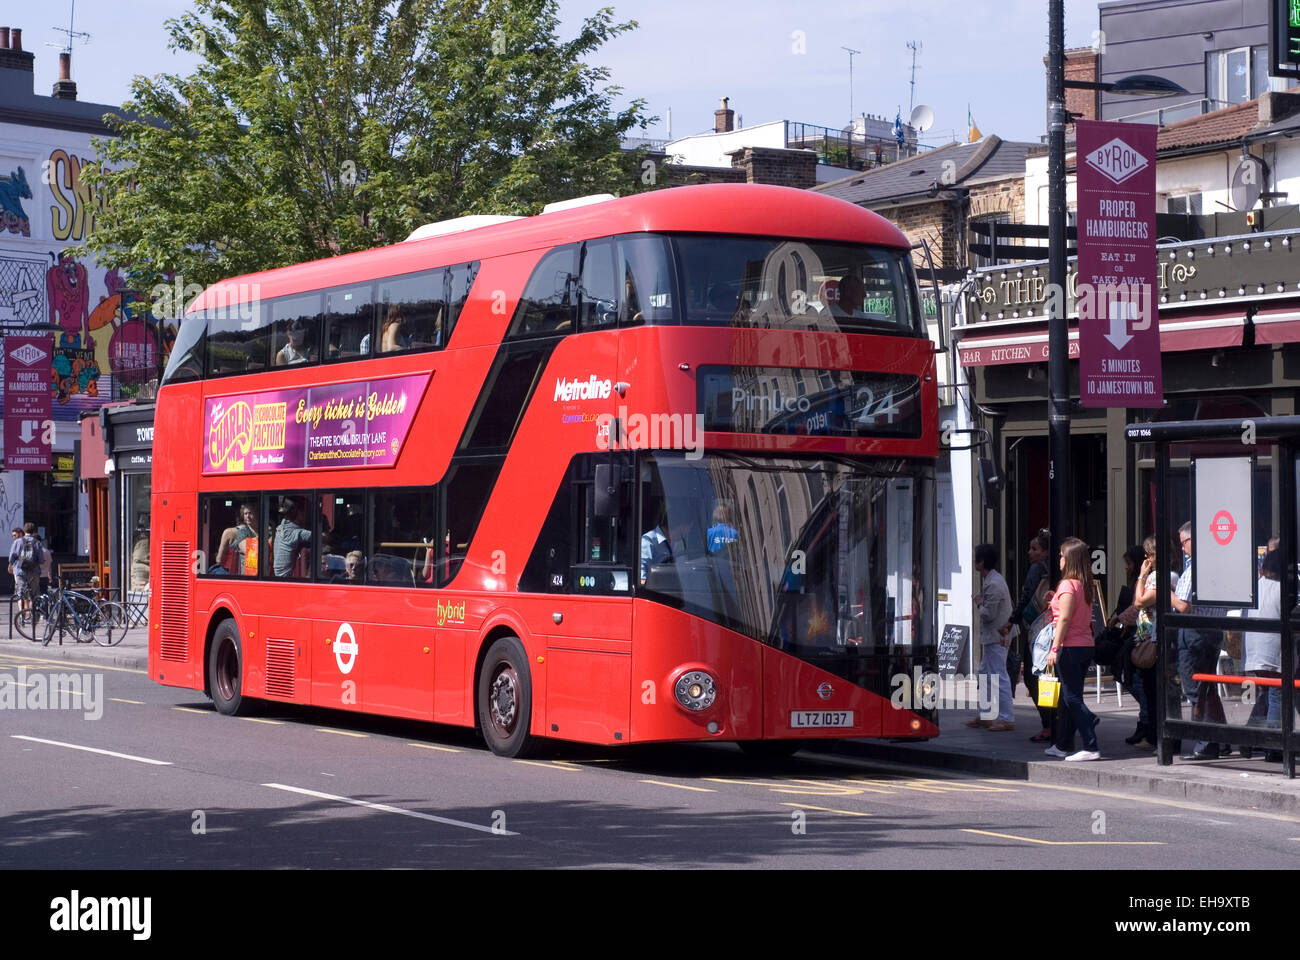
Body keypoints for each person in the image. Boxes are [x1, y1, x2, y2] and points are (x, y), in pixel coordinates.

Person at [1171, 521, 1230, 760]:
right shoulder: (1214, 565)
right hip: (1210, 632)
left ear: (1193, 541)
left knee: (1196, 691)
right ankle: (1221, 738)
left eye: (1183, 542)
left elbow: (1183, 606)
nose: (1182, 548)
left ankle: (1205, 744)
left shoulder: (1196, 568)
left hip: (1195, 634)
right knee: (1209, 689)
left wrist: (1166, 591)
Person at [1043, 536, 1101, 761]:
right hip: (1085, 645)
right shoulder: (1083, 585)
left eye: (1061, 555)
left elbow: (1064, 619)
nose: (1058, 559)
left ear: (1069, 559)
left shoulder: (1067, 584)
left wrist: (1054, 649)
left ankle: (1090, 741)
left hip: (1070, 647)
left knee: (1071, 698)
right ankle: (1062, 744)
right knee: (1070, 698)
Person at [1003, 529, 1055, 742]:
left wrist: (1011, 620)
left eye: (1035, 549)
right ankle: (1053, 722)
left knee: (1033, 678)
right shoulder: (1052, 569)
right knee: (1047, 677)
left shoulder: (1036, 569)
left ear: (1045, 552)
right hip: (1047, 627)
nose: (1029, 552)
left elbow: (1025, 597)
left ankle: (1049, 723)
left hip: (1036, 629)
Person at [1128, 535, 1176, 750]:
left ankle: (1159, 738)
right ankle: (1153, 733)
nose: (1146, 558)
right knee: (1148, 687)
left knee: (1153, 689)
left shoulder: (1160, 576)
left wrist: (1141, 576)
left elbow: (1139, 601)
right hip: (1147, 637)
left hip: (1154, 639)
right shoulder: (1160, 575)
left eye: (1149, 554)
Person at [1239, 549, 1283, 762]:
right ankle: (1273, 746)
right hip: (1274, 652)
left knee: (1265, 694)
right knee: (1276, 694)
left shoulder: (1255, 587)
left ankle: (1249, 738)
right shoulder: (1284, 589)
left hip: (1253, 652)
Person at [968, 544, 1014, 731]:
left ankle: (1007, 718)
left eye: (976, 558)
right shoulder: (992, 579)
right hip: (994, 636)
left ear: (982, 562)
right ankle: (986, 714)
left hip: (997, 637)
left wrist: (979, 603)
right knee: (986, 674)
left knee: (999, 676)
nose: (974, 562)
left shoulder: (993, 583)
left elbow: (989, 614)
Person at [9, 522, 46, 612]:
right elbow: (41, 560)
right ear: (34, 531)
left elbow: (11, 558)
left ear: (24, 531)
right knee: (34, 595)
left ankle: (22, 618)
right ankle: (33, 617)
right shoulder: (37, 543)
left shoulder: (17, 542)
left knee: (21, 594)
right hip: (34, 573)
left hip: (20, 572)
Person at [272, 497, 313, 578]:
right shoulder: (293, 532)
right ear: (298, 513)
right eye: (304, 511)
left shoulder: (281, 527)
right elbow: (319, 537)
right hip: (286, 579)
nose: (307, 515)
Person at [215, 503, 259, 576]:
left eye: (250, 513)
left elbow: (219, 560)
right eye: (245, 514)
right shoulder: (242, 532)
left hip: (242, 574)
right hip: (246, 574)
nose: (248, 516)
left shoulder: (231, 532)